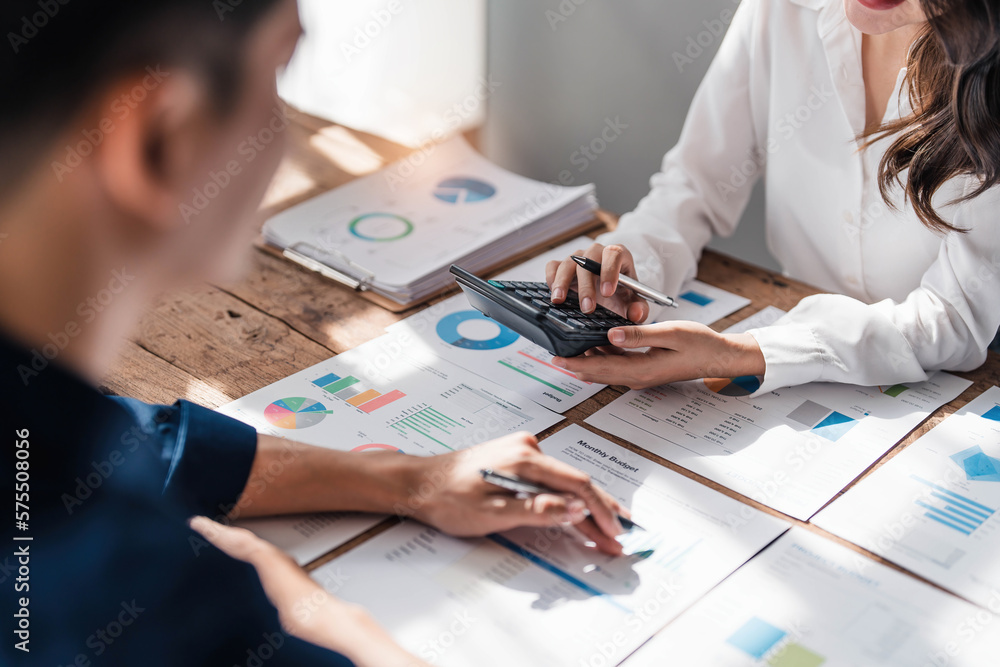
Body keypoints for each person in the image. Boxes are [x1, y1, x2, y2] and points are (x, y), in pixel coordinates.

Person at [0, 1, 626, 665]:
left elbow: (140, 437)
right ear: (160, 140)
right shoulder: (137, 608)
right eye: (278, 68)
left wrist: (408, 480)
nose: (287, 134)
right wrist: (310, 607)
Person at [547, 0, 1000, 394]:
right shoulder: (781, 7)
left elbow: (955, 319)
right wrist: (632, 268)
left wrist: (743, 353)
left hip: (957, 383)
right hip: (797, 348)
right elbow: (695, 183)